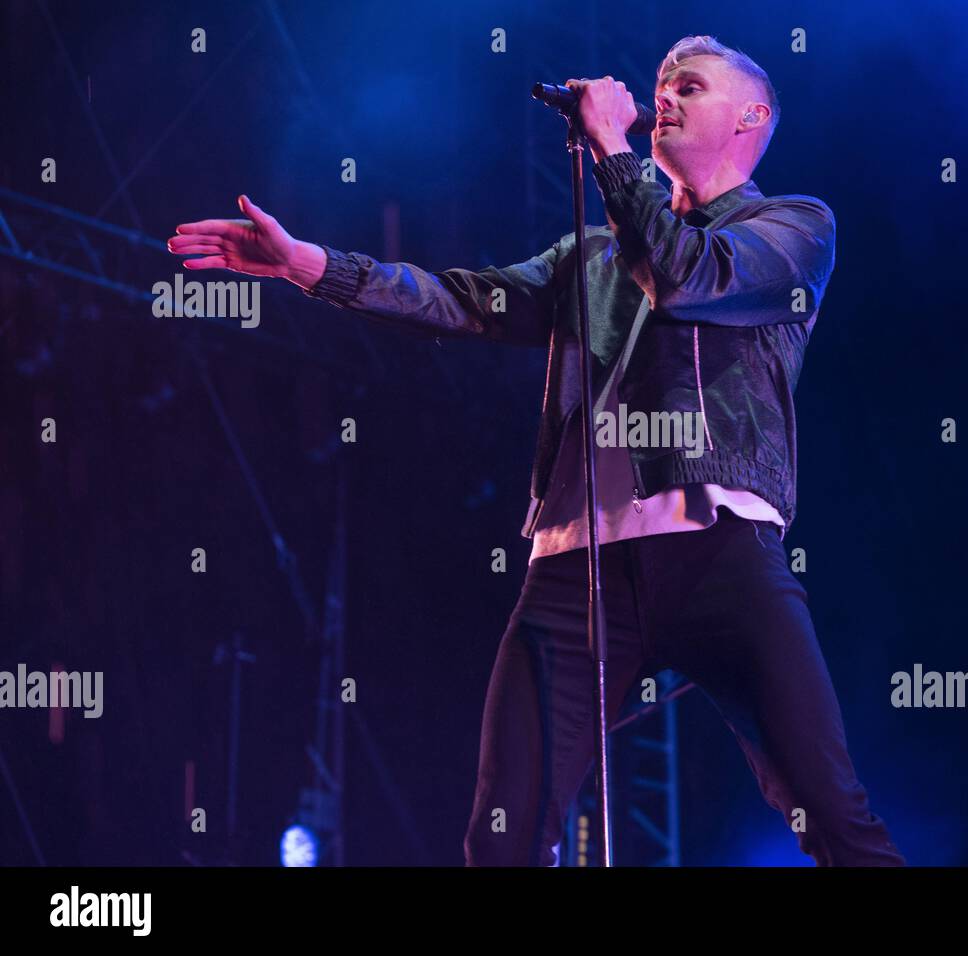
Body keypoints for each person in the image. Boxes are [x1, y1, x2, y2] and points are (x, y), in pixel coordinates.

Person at [169, 34, 905, 866]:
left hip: (718, 550)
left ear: (752, 116)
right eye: (661, 83)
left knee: (830, 813)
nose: (664, 95)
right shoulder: (590, 256)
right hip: (574, 567)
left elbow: (688, 277)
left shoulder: (794, 228)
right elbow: (461, 301)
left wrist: (613, 150)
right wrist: (312, 266)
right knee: (504, 833)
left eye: (689, 86)